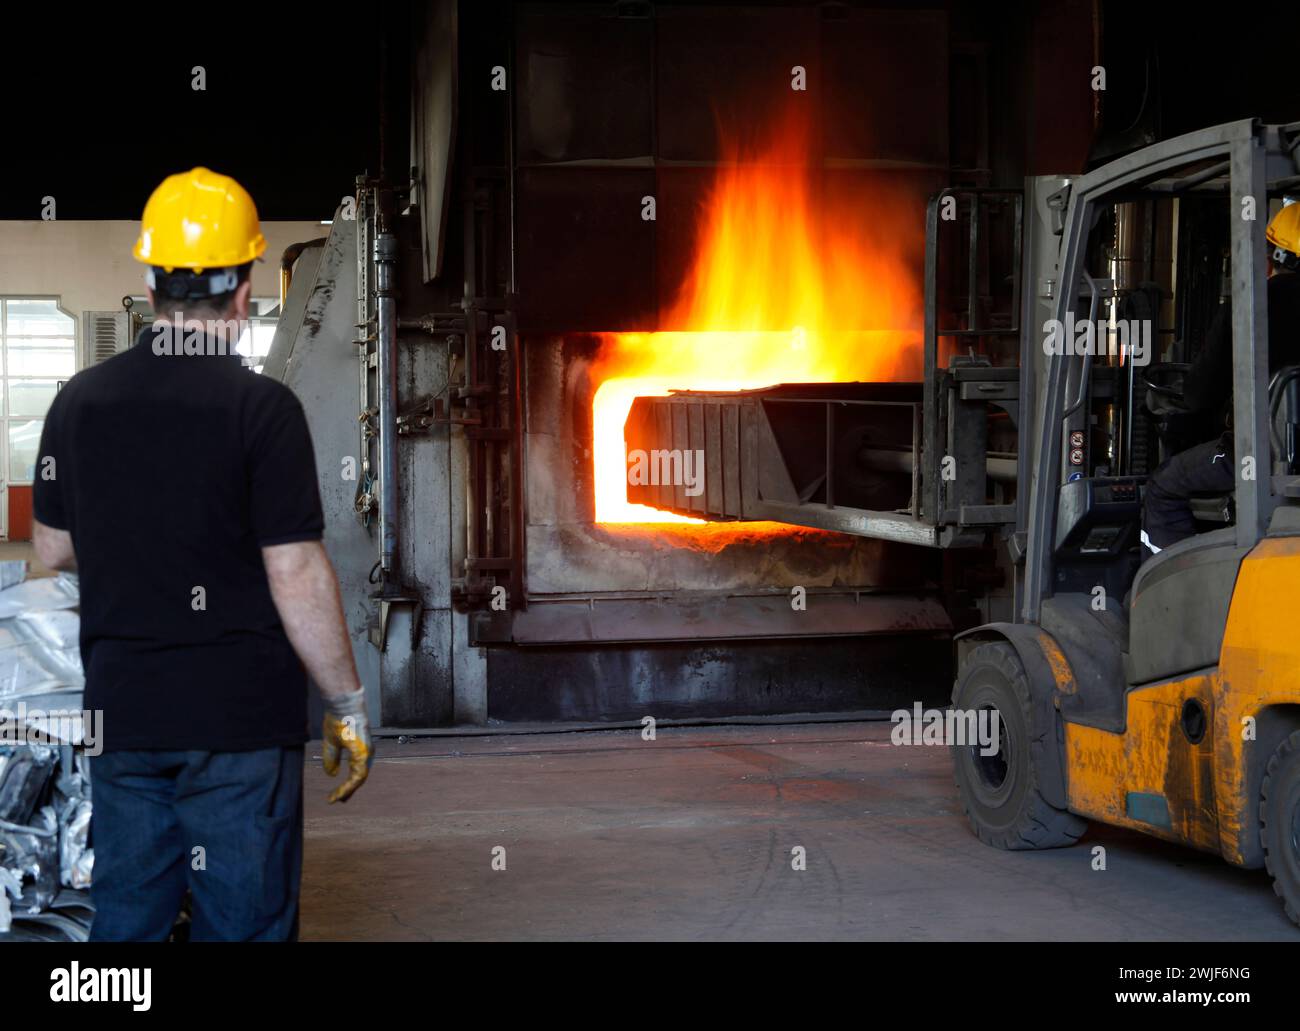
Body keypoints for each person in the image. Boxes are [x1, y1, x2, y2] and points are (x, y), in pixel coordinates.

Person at [31, 167, 372, 941]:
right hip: (240, 724)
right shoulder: (265, 411)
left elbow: (52, 548)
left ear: (151, 288)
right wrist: (346, 704)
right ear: (245, 289)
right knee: (243, 923)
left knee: (127, 927)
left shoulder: (77, 401)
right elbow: (294, 571)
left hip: (125, 712)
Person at [1141, 203, 1300, 555]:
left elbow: (1199, 396)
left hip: (1267, 458)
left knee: (1164, 486)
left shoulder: (1252, 305)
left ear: (1274, 255)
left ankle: (1169, 598)